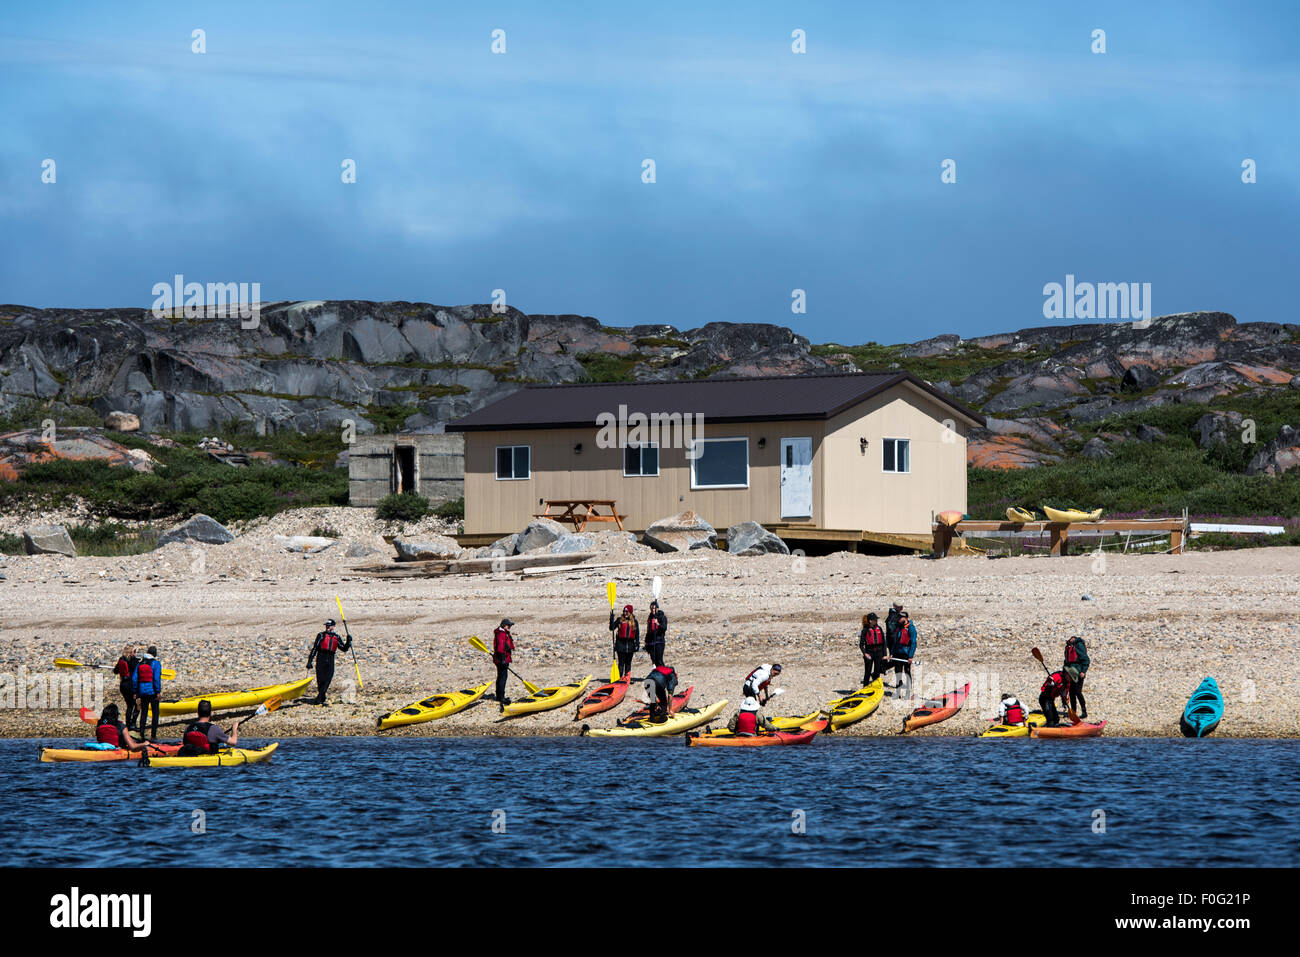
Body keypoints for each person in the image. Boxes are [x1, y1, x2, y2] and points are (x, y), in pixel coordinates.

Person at [305, 618, 352, 706]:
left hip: (330, 658)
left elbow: (344, 648)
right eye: (326, 625)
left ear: (333, 627)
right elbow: (315, 648)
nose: (327, 627)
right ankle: (321, 697)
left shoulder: (336, 637)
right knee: (320, 679)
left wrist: (348, 641)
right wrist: (310, 661)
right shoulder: (321, 635)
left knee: (328, 679)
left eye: (329, 625)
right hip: (321, 657)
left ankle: (319, 698)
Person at [131, 646, 163, 740]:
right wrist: (158, 691)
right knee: (155, 712)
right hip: (152, 692)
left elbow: (134, 679)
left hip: (142, 692)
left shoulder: (140, 663)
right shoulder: (156, 664)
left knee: (144, 712)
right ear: (155, 654)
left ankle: (142, 733)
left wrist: (135, 691)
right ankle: (153, 734)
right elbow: (156, 679)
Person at [887, 610, 917, 697]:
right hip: (897, 653)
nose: (898, 619)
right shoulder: (898, 627)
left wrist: (910, 656)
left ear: (905, 618)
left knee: (907, 672)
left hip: (906, 654)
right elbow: (895, 641)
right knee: (898, 673)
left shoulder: (911, 628)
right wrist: (892, 653)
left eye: (900, 618)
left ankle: (908, 692)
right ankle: (898, 691)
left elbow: (913, 643)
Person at [1063, 635, 1091, 719]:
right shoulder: (1069, 647)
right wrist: (1064, 671)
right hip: (1070, 672)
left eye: (1071, 638)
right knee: (1071, 693)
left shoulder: (1079, 645)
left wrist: (1083, 671)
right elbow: (1066, 661)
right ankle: (1073, 712)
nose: (1070, 639)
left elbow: (1086, 659)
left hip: (1078, 672)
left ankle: (1084, 711)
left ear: (1074, 639)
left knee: (1078, 692)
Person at [609, 604, 640, 678]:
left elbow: (637, 634)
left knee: (628, 663)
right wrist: (611, 619)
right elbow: (612, 628)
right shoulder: (620, 620)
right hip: (620, 645)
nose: (625, 613)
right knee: (621, 663)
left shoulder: (635, 622)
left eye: (627, 612)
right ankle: (619, 678)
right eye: (624, 611)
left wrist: (637, 644)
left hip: (631, 645)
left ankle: (627, 678)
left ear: (630, 612)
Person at [113, 644, 139, 730]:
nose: (136, 653)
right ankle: (133, 723)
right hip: (130, 685)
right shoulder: (134, 661)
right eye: (135, 651)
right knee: (137, 705)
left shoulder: (121, 659)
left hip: (123, 685)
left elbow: (115, 671)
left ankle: (128, 724)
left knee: (129, 705)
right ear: (131, 652)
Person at [492, 618, 515, 712]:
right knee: (502, 677)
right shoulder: (501, 634)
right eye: (508, 626)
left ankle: (498, 695)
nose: (510, 627)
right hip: (502, 660)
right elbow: (500, 648)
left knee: (500, 676)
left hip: (501, 659)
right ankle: (501, 697)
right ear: (504, 625)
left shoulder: (501, 633)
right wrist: (503, 660)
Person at [858, 613, 887, 685]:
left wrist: (885, 655)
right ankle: (865, 688)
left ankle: (875, 687)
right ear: (870, 621)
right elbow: (861, 644)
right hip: (869, 652)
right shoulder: (865, 630)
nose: (876, 621)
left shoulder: (879, 628)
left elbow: (884, 642)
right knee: (867, 672)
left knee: (877, 672)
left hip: (879, 653)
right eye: (875, 620)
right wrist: (865, 654)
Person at [644, 600, 668, 667]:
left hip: (659, 642)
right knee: (654, 661)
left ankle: (663, 675)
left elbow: (664, 628)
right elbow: (648, 630)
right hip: (651, 642)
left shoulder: (662, 617)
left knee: (659, 660)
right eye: (651, 608)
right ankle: (657, 674)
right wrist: (646, 641)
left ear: (657, 608)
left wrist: (657, 624)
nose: (653, 610)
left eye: (654, 608)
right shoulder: (650, 617)